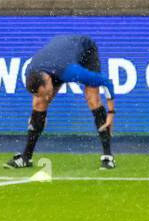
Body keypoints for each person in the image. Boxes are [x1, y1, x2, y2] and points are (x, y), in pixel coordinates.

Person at [7, 34, 116, 171]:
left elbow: (107, 82)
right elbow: (40, 97)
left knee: (92, 98)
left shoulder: (71, 72)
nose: (48, 97)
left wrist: (111, 112)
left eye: (47, 93)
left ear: (47, 81)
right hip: (58, 58)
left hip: (85, 51)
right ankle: (25, 158)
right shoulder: (30, 72)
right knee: (39, 103)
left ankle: (108, 157)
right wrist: (37, 117)